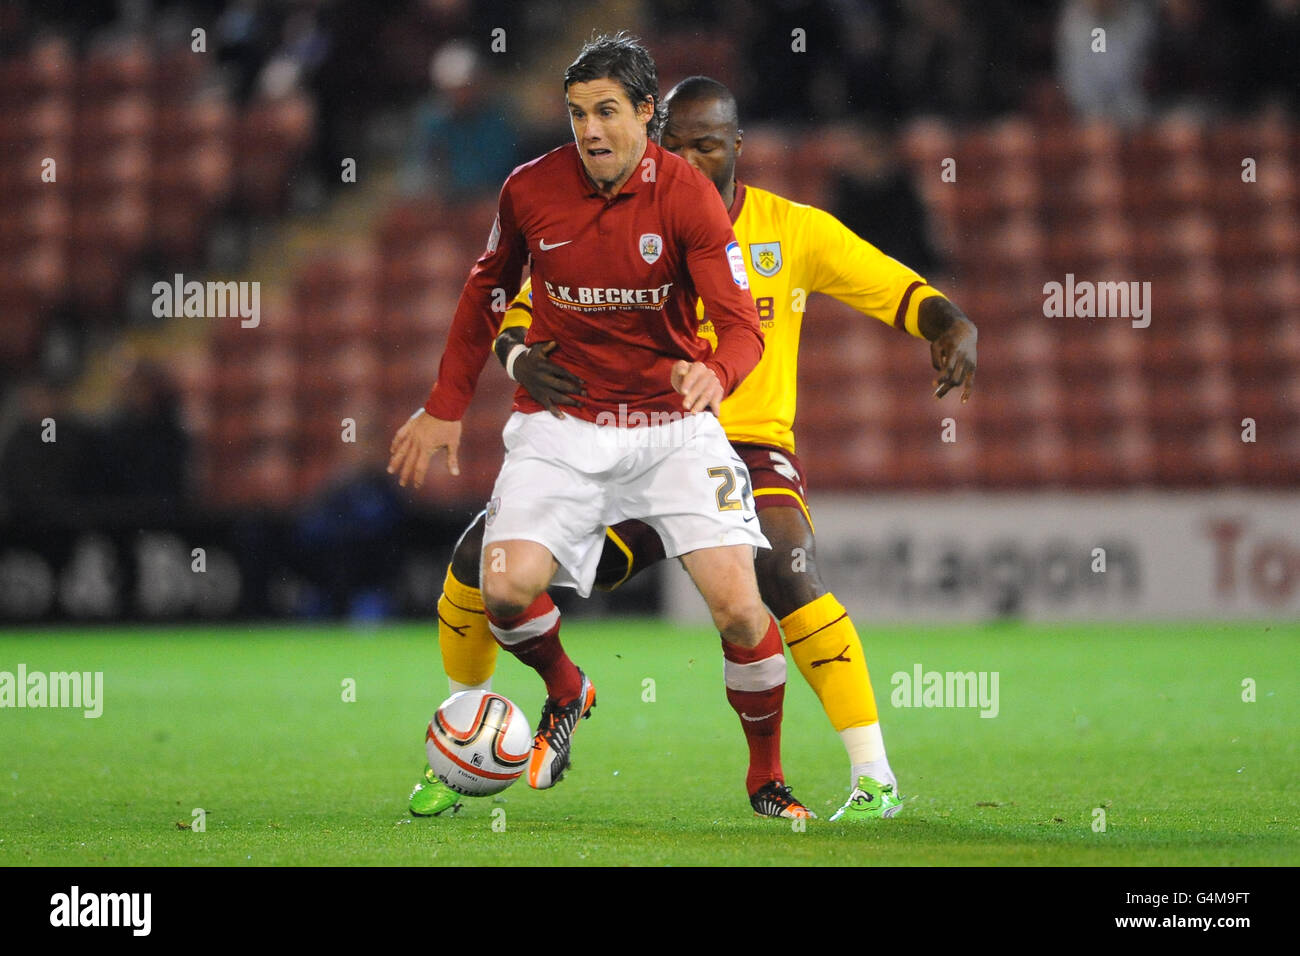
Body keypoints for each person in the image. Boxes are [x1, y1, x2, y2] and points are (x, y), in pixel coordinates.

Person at [409, 75, 979, 821]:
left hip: (744, 445)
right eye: (675, 144)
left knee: (787, 569)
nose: (690, 159)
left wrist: (948, 326)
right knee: (478, 564)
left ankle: (872, 777)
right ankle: (467, 743)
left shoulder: (794, 229)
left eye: (708, 145)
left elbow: (897, 290)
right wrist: (520, 357)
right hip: (627, 436)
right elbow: (520, 310)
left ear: (738, 146)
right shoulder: (614, 224)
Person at [388, 36, 814, 819]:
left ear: (647, 115)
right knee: (504, 589)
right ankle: (567, 687)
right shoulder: (529, 189)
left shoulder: (688, 196)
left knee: (743, 609)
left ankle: (767, 780)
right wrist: (447, 403)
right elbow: (487, 292)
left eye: (608, 112)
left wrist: (715, 373)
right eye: (578, 113)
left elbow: (741, 325)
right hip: (563, 425)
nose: (590, 130)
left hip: (670, 427)